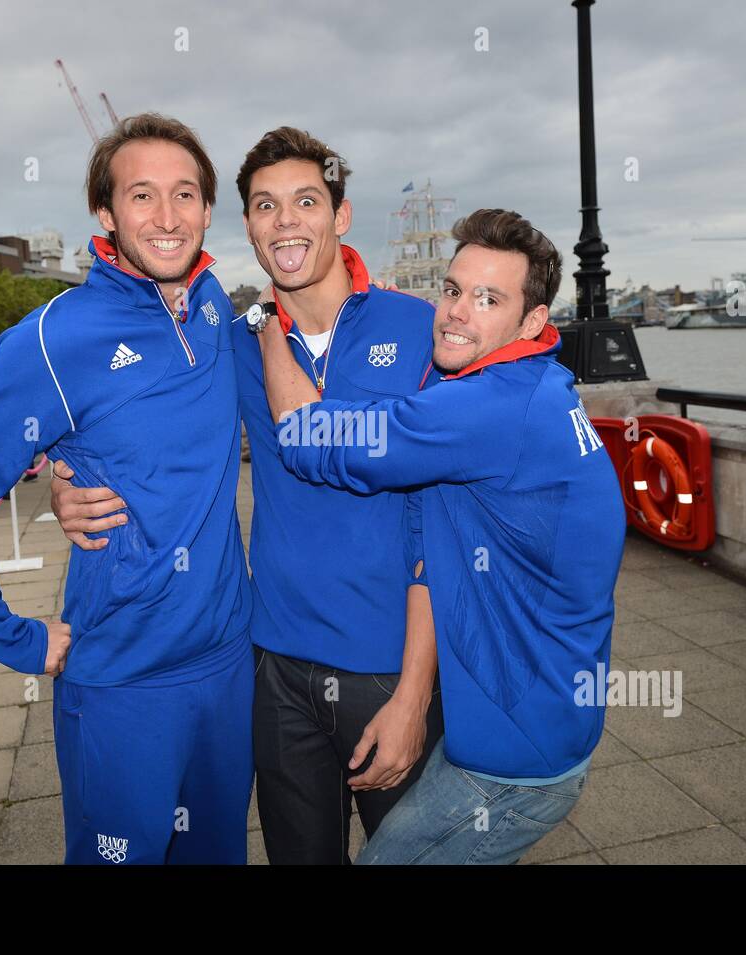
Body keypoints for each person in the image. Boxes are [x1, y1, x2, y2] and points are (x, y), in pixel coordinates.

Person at [54, 126, 444, 864]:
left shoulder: (420, 330)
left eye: (306, 200)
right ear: (246, 227)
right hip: (273, 665)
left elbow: (446, 519)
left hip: (389, 662)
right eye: (266, 206)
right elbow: (134, 424)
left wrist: (417, 693)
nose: (286, 221)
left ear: (342, 213)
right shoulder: (231, 341)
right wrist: (64, 482)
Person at [0, 113, 253, 865]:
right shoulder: (55, 339)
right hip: (123, 682)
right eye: (143, 195)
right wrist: (14, 636)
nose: (167, 217)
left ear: (208, 209)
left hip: (227, 669)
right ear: (105, 213)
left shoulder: (216, 303)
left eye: (185, 194)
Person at [258, 209, 626, 864]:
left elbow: (308, 436)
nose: (457, 312)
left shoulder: (489, 408)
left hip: (511, 764)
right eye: (453, 290)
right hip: (545, 732)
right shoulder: (541, 384)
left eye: (489, 299)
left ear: (533, 322)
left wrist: (265, 326)